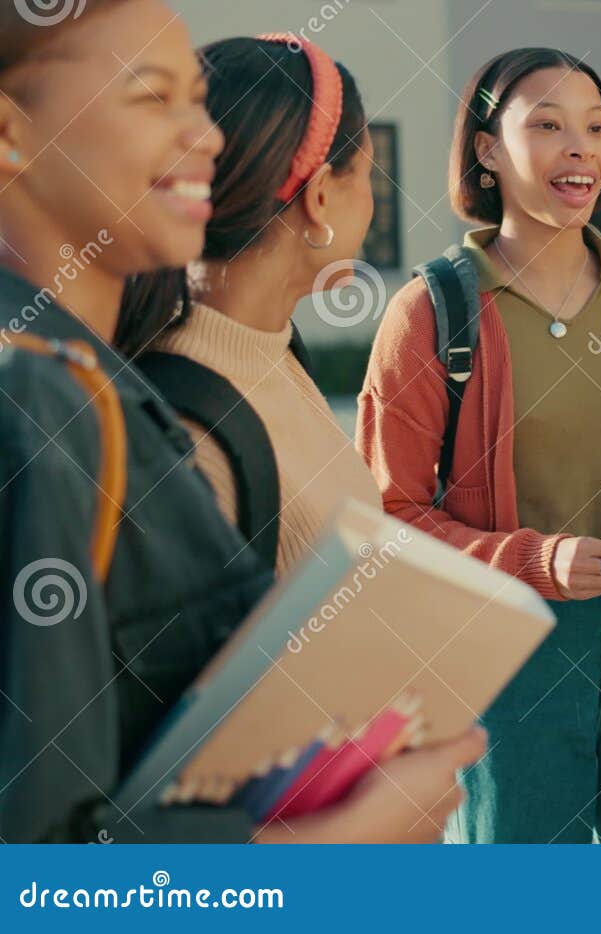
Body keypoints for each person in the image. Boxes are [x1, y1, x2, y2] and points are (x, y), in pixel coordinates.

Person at [0, 0, 481, 844]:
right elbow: (44, 863)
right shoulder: (55, 396)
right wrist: (324, 850)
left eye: (200, 100)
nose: (207, 139)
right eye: (154, 96)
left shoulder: (119, 381)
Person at [358, 48, 601, 843]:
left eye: (597, 127)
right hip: (506, 657)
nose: (583, 148)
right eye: (548, 125)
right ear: (487, 151)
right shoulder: (429, 313)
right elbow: (389, 522)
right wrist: (540, 561)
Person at [121, 34, 382, 574]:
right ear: (321, 196)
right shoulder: (187, 431)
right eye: (369, 173)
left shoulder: (277, 352)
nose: (375, 202)